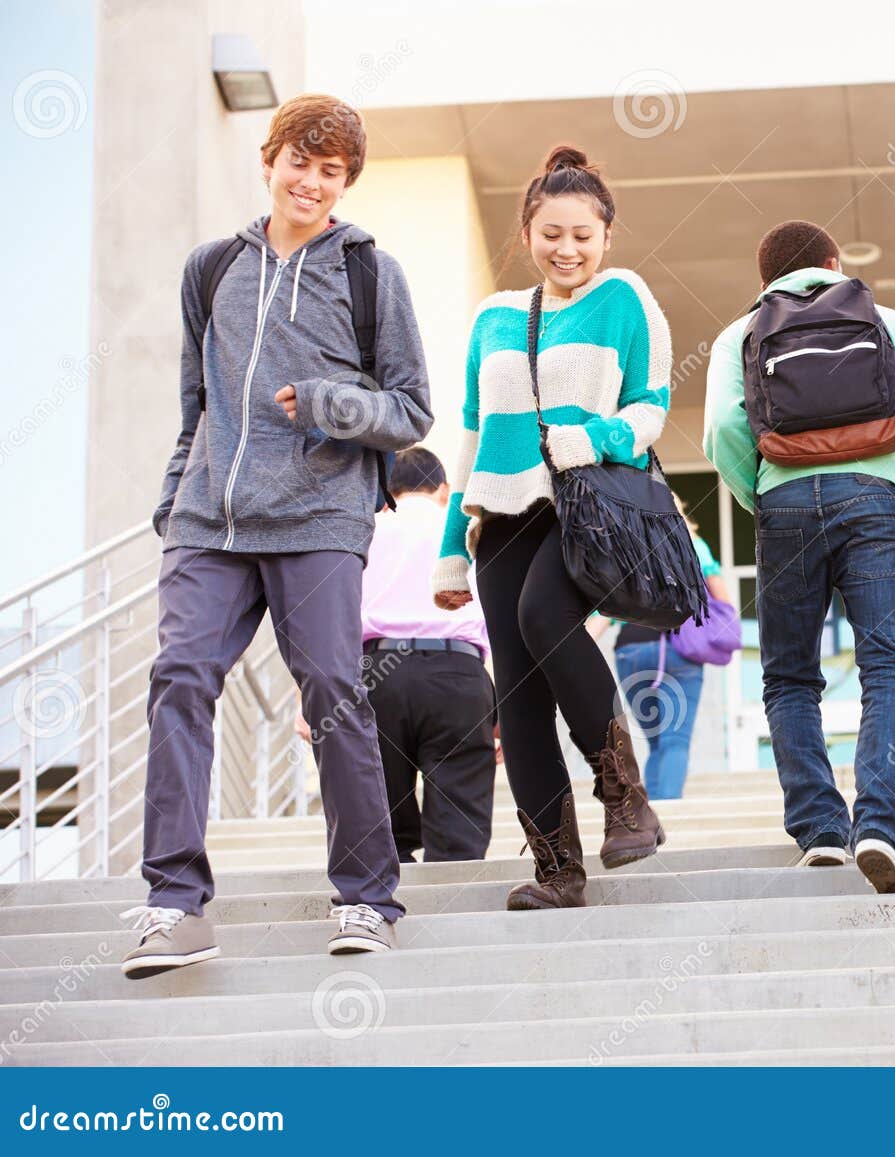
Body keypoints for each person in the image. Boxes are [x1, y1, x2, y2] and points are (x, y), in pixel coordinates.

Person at [124, 94, 432, 978]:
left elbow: (411, 409)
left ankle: (367, 897)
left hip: (319, 518)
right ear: (271, 160)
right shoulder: (212, 267)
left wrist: (332, 404)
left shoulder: (372, 273)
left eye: (331, 172)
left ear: (345, 183)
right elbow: (199, 406)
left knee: (334, 688)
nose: (312, 182)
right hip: (209, 523)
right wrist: (173, 503)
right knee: (180, 677)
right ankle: (174, 904)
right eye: (301, 162)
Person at [431, 144, 672, 913]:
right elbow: (470, 436)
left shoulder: (625, 297)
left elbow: (650, 407)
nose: (567, 249)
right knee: (519, 696)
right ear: (527, 232)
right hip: (501, 519)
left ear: (606, 236)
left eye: (583, 235)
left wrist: (593, 438)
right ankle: (557, 867)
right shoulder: (494, 317)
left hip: (582, 509)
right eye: (551, 234)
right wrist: (448, 552)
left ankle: (622, 790)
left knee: (544, 616)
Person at [704, 220, 895, 894]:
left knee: (789, 674)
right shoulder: (886, 320)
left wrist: (765, 494)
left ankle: (820, 830)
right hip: (882, 496)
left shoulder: (743, 332)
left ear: (765, 279)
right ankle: (879, 826)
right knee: (891, 667)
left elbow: (723, 430)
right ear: (833, 264)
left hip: (784, 503)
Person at [297, 447, 497, 863]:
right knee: (460, 819)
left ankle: (386, 905)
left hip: (374, 672)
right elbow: (500, 614)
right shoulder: (469, 531)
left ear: (388, 490)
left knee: (379, 811)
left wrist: (309, 698)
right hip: (457, 669)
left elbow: (329, 617)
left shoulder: (362, 530)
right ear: (443, 489)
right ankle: (453, 908)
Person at [606, 493, 732, 800]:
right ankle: (669, 814)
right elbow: (723, 601)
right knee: (675, 741)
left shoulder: (625, 550)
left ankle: (651, 814)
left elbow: (606, 611)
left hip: (630, 651)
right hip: (679, 649)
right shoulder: (693, 545)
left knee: (656, 742)